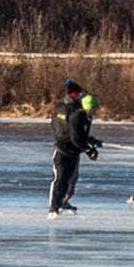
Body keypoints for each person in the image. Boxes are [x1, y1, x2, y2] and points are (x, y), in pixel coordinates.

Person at [48, 79, 100, 218]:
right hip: (63, 149)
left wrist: (90, 141)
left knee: (69, 180)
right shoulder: (73, 112)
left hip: (73, 150)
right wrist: (88, 149)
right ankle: (54, 206)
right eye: (80, 95)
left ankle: (62, 202)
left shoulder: (71, 110)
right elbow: (73, 134)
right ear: (75, 95)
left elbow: (78, 134)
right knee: (60, 179)